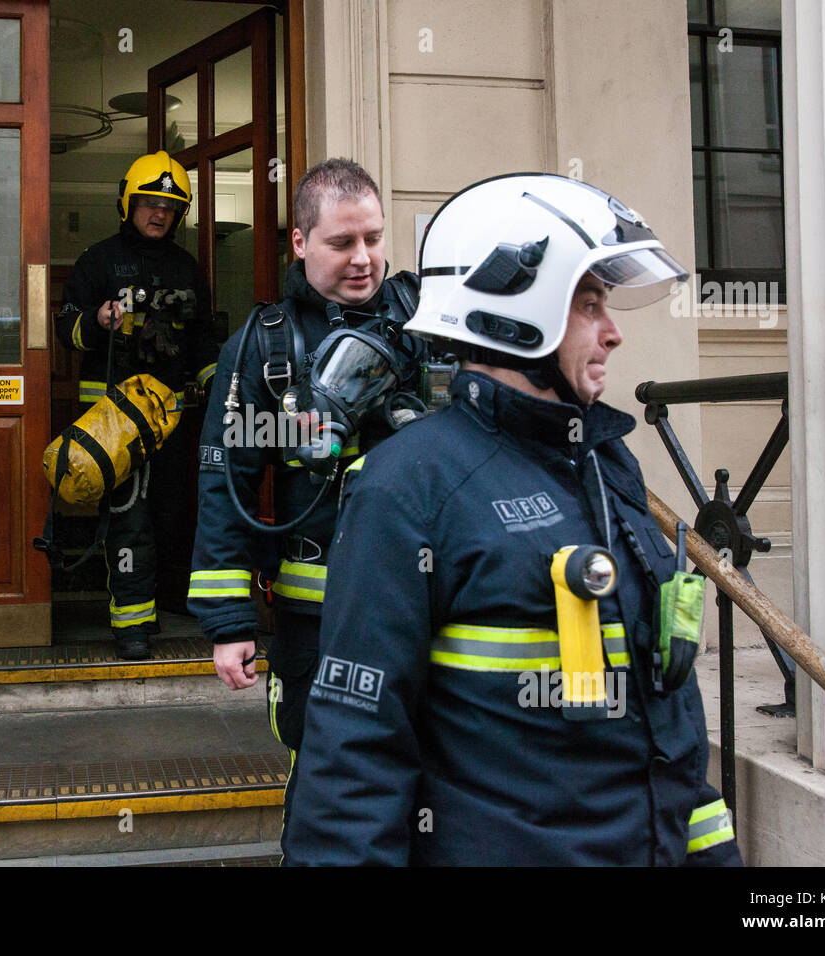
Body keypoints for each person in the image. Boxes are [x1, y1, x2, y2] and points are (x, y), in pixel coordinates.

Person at [285, 173, 742, 866]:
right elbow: (355, 758)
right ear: (511, 314)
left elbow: (667, 724)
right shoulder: (409, 487)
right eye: (589, 304)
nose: (614, 334)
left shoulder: (606, 463)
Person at [188, 158, 424, 844]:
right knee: (330, 776)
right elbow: (222, 480)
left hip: (428, 600)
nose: (365, 260)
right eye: (342, 243)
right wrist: (229, 621)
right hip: (319, 617)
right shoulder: (262, 350)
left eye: (374, 239)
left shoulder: (428, 323)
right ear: (298, 242)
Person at [58, 151, 218, 661]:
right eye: (150, 203)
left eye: (170, 208)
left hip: (173, 418)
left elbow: (204, 339)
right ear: (128, 203)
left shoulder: (186, 268)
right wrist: (97, 319)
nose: (159, 215)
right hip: (114, 422)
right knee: (129, 518)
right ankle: (133, 625)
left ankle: (174, 598)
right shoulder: (98, 260)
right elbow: (65, 327)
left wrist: (218, 395)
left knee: (176, 513)